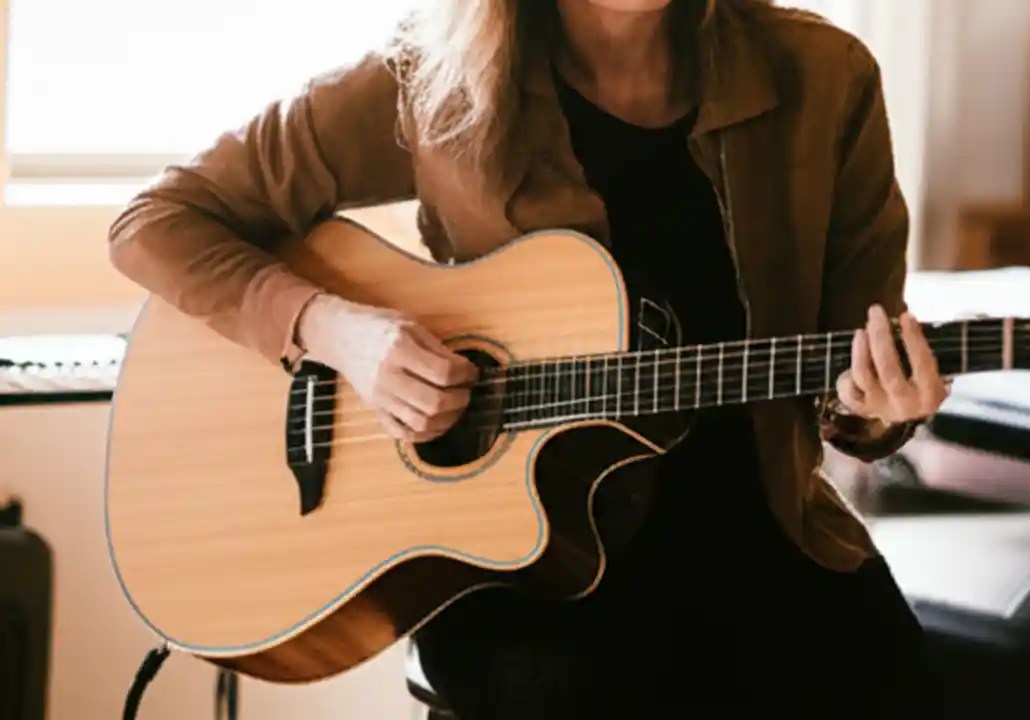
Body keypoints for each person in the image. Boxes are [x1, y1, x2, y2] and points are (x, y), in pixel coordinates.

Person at [107, 0, 950, 716]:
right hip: (534, 575)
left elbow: (857, 385)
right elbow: (156, 222)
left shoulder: (826, 77)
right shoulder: (430, 79)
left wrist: (882, 406)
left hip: (768, 542)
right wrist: (335, 331)